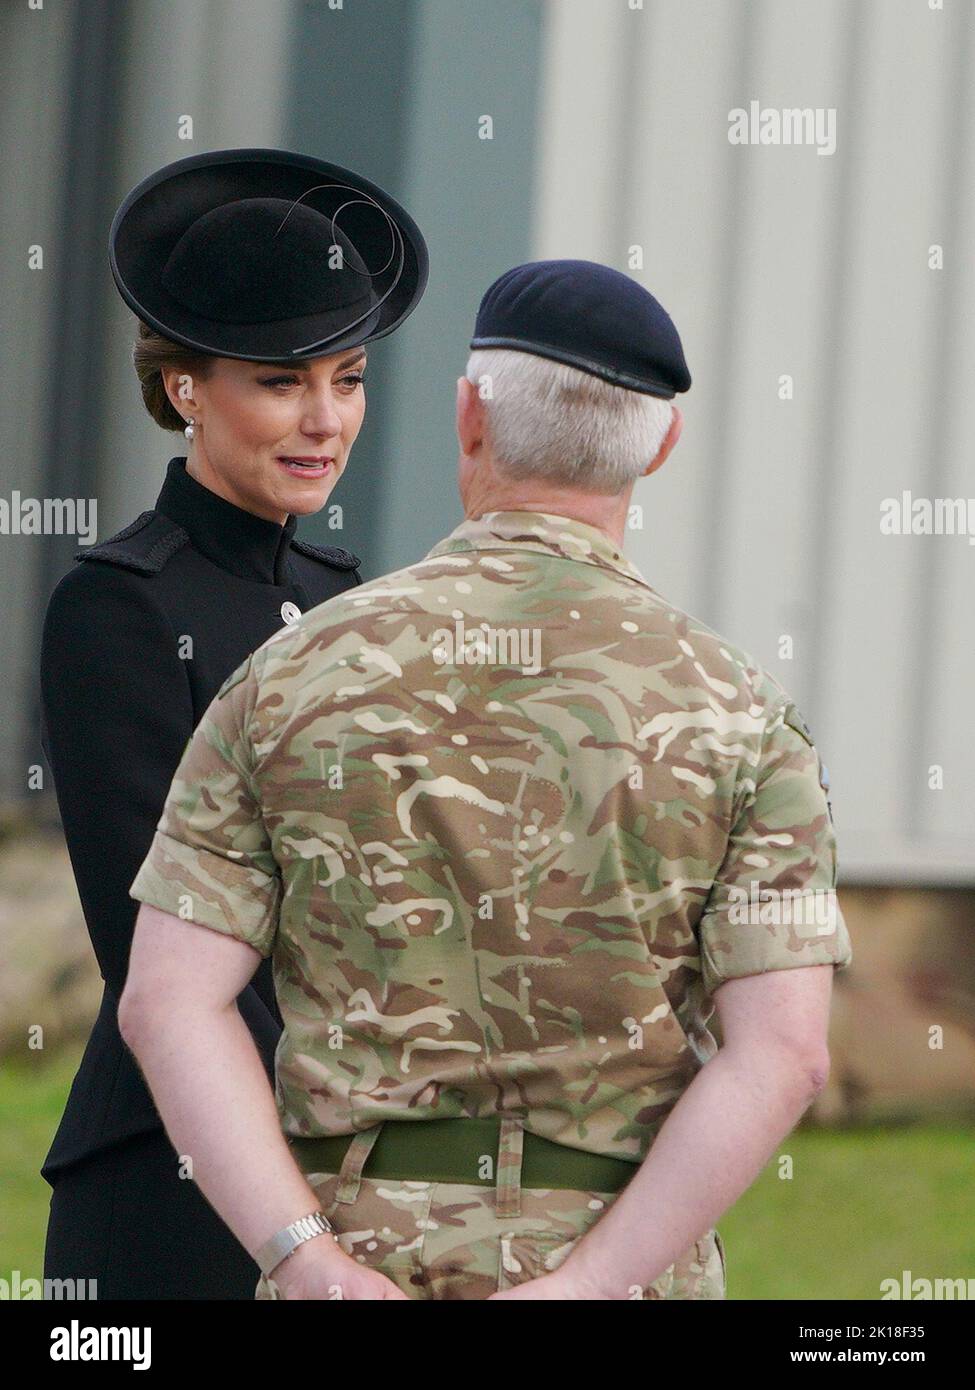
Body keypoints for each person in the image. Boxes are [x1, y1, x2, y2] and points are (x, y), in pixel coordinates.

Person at [122, 258, 852, 1301]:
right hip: (621, 1263)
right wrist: (593, 1282)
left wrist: (305, 1257)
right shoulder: (744, 715)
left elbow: (167, 1004)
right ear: (663, 446)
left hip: (356, 1251)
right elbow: (785, 1056)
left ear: (468, 418)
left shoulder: (288, 679)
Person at [39, 146, 428, 1299]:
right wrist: (308, 1172)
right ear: (185, 389)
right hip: (173, 1187)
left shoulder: (344, 594)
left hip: (339, 1173)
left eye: (349, 378)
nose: (325, 420)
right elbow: (152, 946)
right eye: (281, 382)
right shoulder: (117, 603)